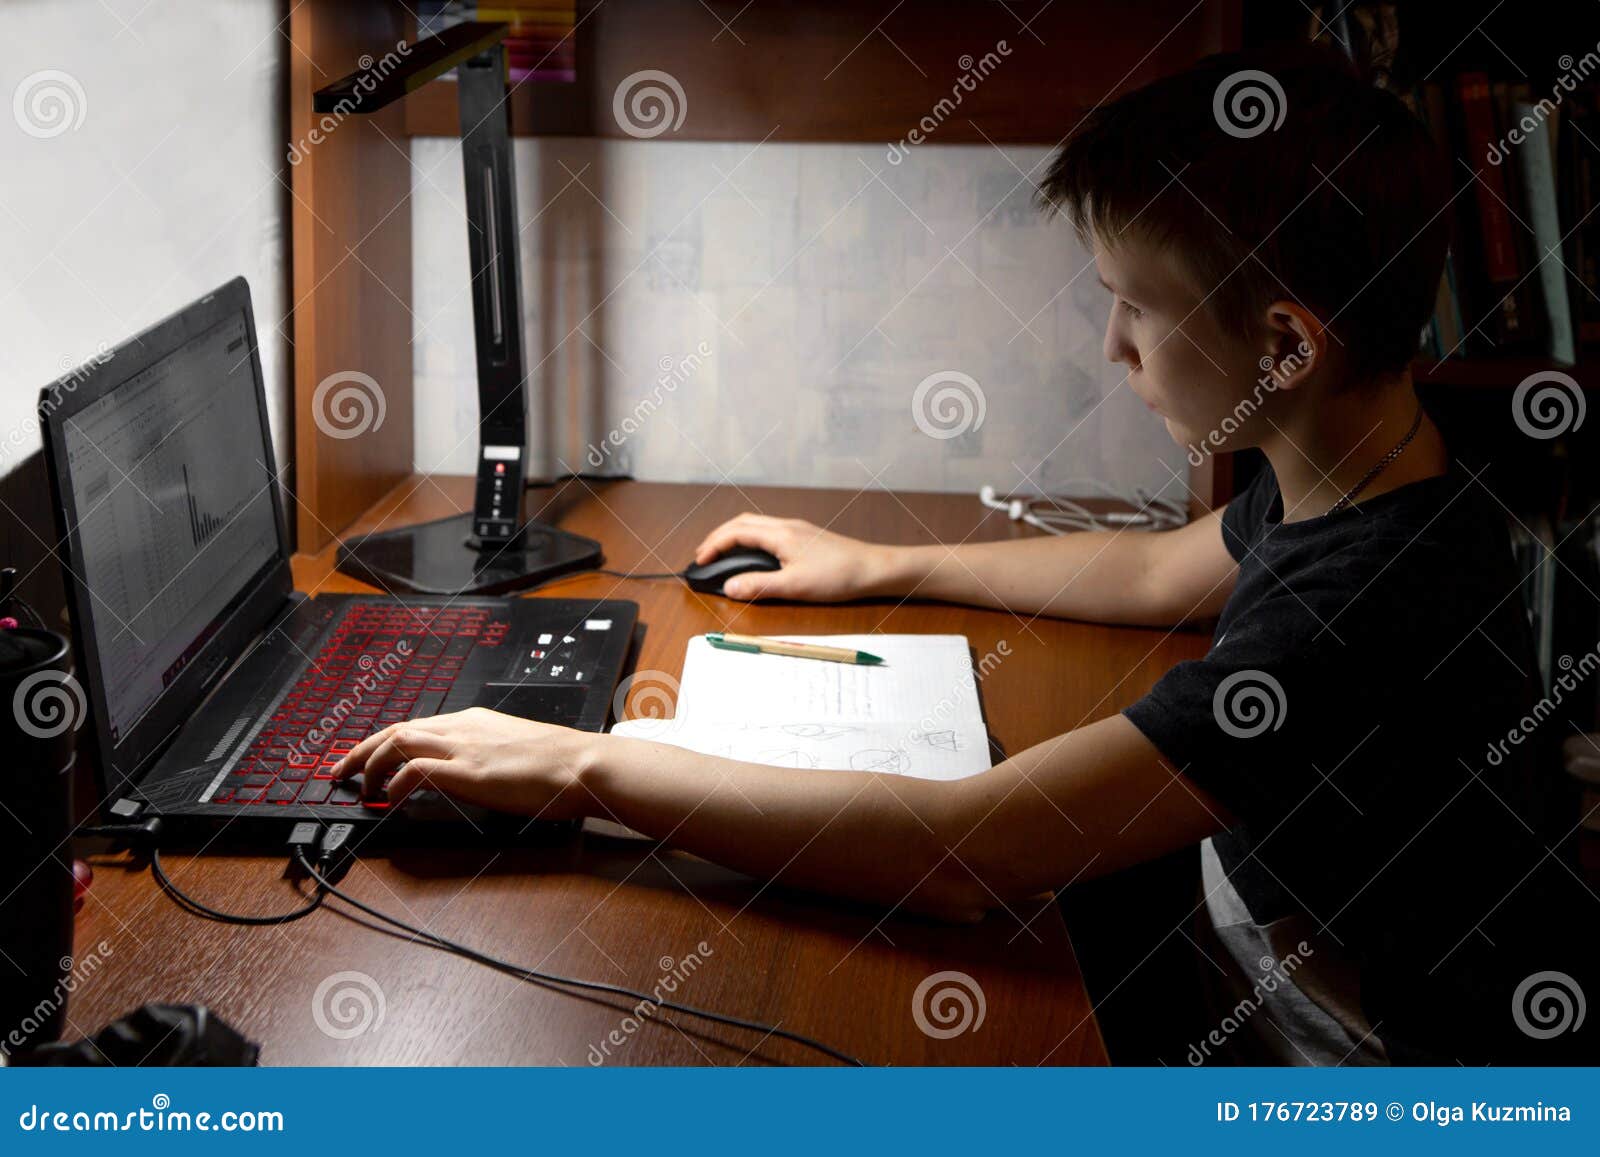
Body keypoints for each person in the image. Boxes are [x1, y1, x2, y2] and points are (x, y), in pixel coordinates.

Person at [334, 43, 1595, 1064]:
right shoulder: (1376, 466)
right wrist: (880, 562)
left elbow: (960, 855)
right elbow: (1157, 570)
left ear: (1282, 346)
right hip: (1263, 954)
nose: (1112, 347)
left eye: (1134, 305)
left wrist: (582, 768)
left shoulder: (1352, 617)